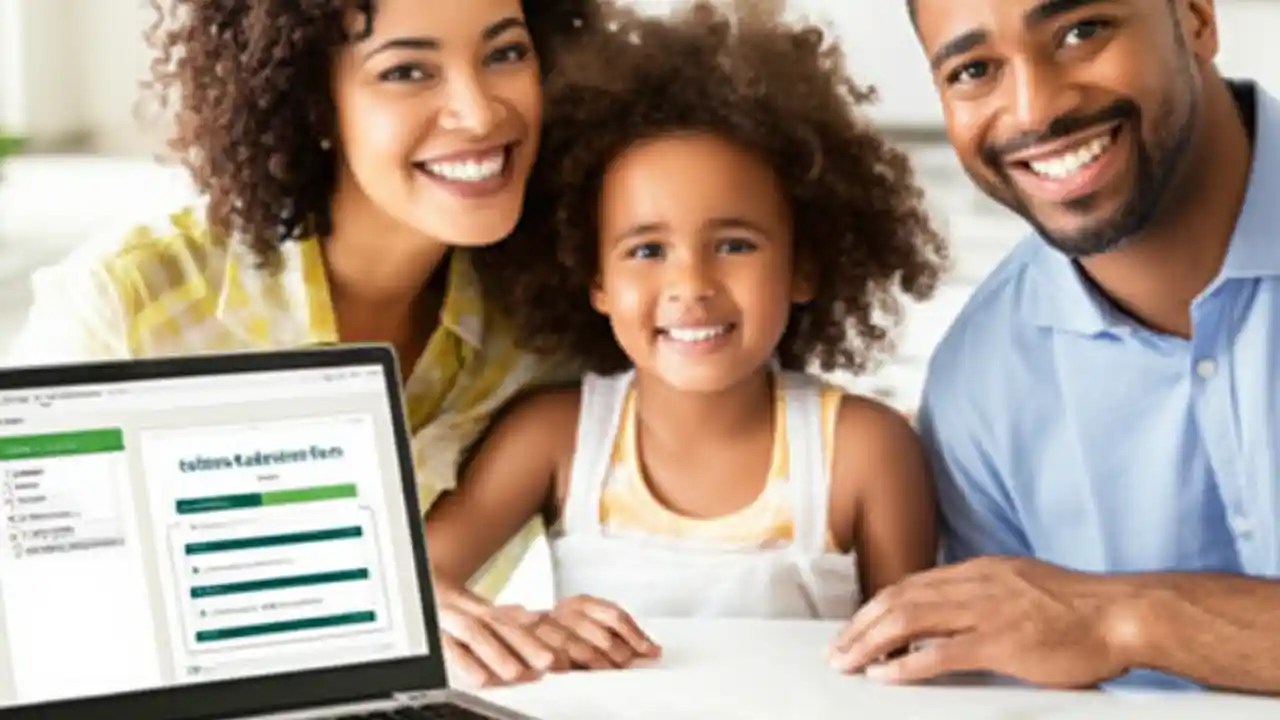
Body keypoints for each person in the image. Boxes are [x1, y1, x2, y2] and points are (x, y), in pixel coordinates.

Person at [4, 0, 597, 688]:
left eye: (505, 54)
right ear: (314, 103)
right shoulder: (129, 304)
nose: (481, 111)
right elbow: (36, 618)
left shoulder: (547, 324)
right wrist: (369, 613)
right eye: (407, 70)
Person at [426, 1, 947, 687]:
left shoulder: (866, 452)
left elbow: (917, 675)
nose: (691, 285)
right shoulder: (555, 438)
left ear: (804, 265)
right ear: (595, 278)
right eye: (646, 249)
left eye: (734, 245)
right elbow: (416, 589)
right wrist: (527, 626)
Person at [829, 0, 1280, 695]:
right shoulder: (978, 387)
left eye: (1081, 31)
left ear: (1195, 18)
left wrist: (1128, 621)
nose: (1035, 110)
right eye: (974, 70)